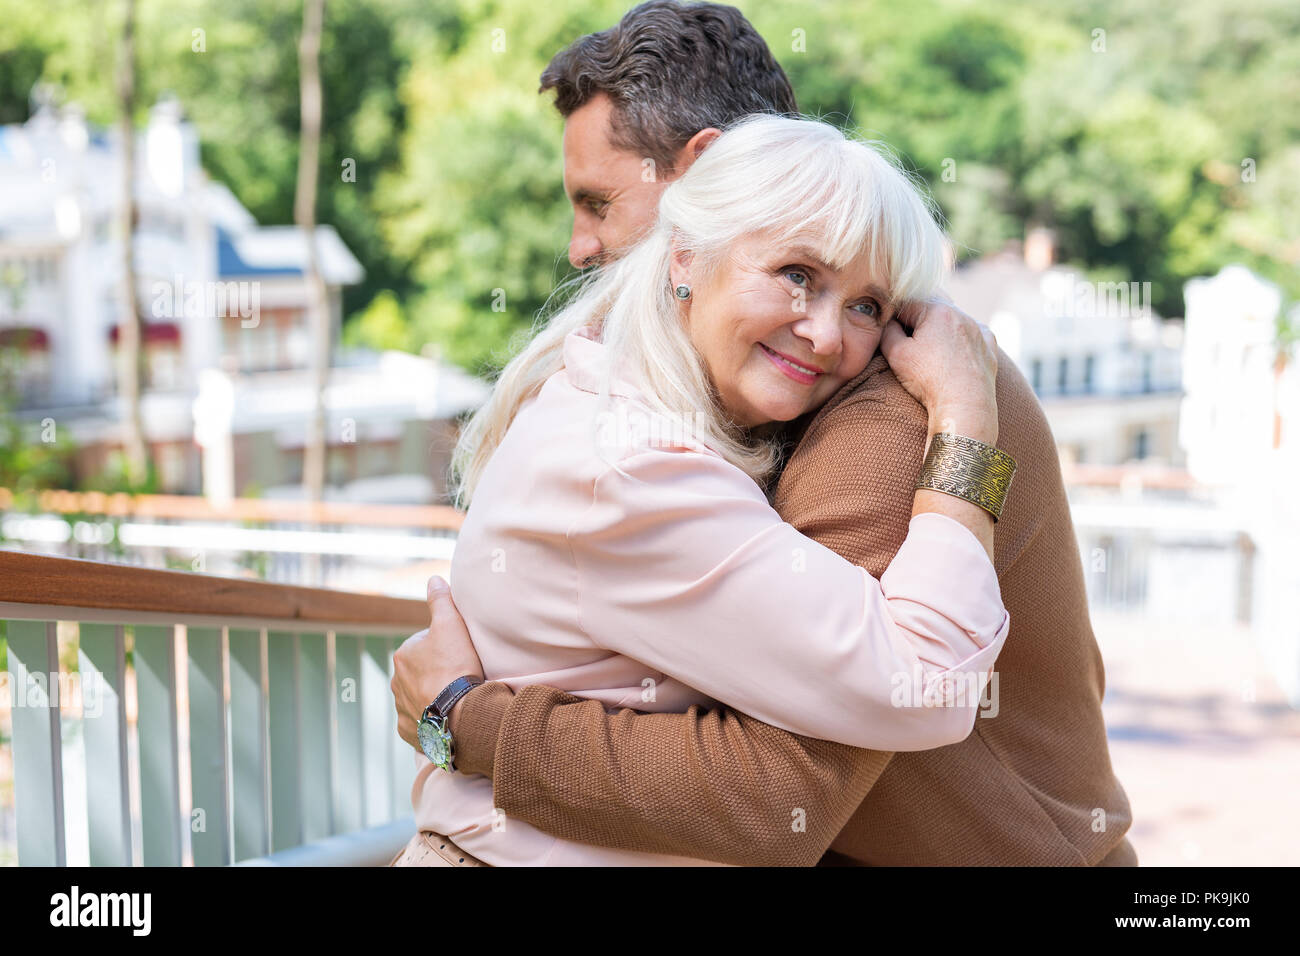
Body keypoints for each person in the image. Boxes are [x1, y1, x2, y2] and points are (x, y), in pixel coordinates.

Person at [392, 0, 1135, 867]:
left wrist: (465, 721)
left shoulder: (892, 402)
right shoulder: (636, 420)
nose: (579, 246)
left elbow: (787, 785)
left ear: (694, 186)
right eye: (795, 276)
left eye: (597, 201)